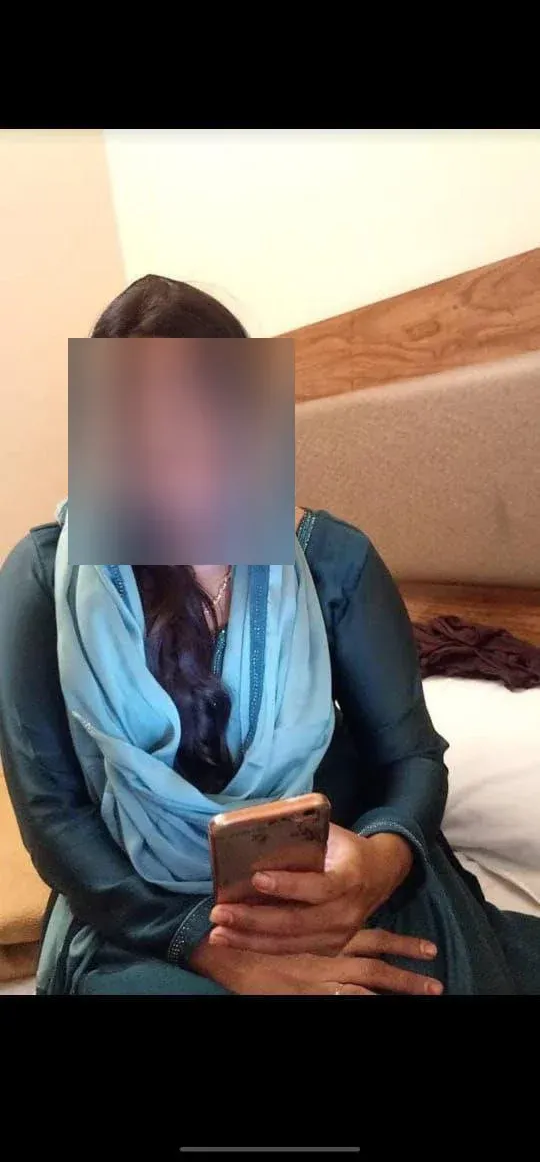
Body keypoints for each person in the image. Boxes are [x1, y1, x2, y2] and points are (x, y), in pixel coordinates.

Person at [1, 274, 538, 997]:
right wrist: (207, 948)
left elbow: (411, 757)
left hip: (337, 886)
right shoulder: (43, 581)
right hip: (138, 909)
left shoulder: (333, 561)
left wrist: (377, 865)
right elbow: (52, 814)